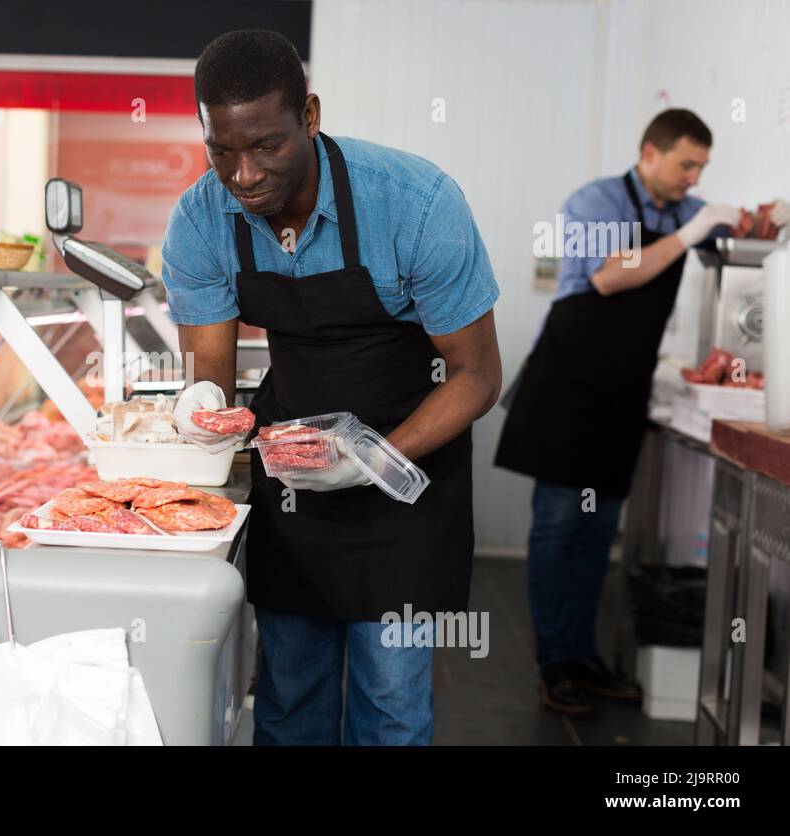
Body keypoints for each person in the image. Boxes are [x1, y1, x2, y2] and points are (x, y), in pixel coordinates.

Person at [161, 30, 502, 745]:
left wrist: (370, 457)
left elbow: (476, 375)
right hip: (293, 473)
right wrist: (199, 410)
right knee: (290, 697)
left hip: (409, 469)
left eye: (266, 147)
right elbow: (211, 382)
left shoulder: (416, 205)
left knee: (390, 704)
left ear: (310, 117)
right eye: (222, 151)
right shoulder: (200, 220)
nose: (244, 176)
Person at [494, 109, 790, 714]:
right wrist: (690, 232)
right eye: (686, 164)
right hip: (568, 384)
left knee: (599, 531)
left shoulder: (685, 210)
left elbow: (742, 230)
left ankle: (584, 658)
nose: (694, 178)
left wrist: (770, 216)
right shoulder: (595, 201)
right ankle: (555, 666)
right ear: (650, 153)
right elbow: (607, 276)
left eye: (702, 168)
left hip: (620, 392)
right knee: (558, 529)